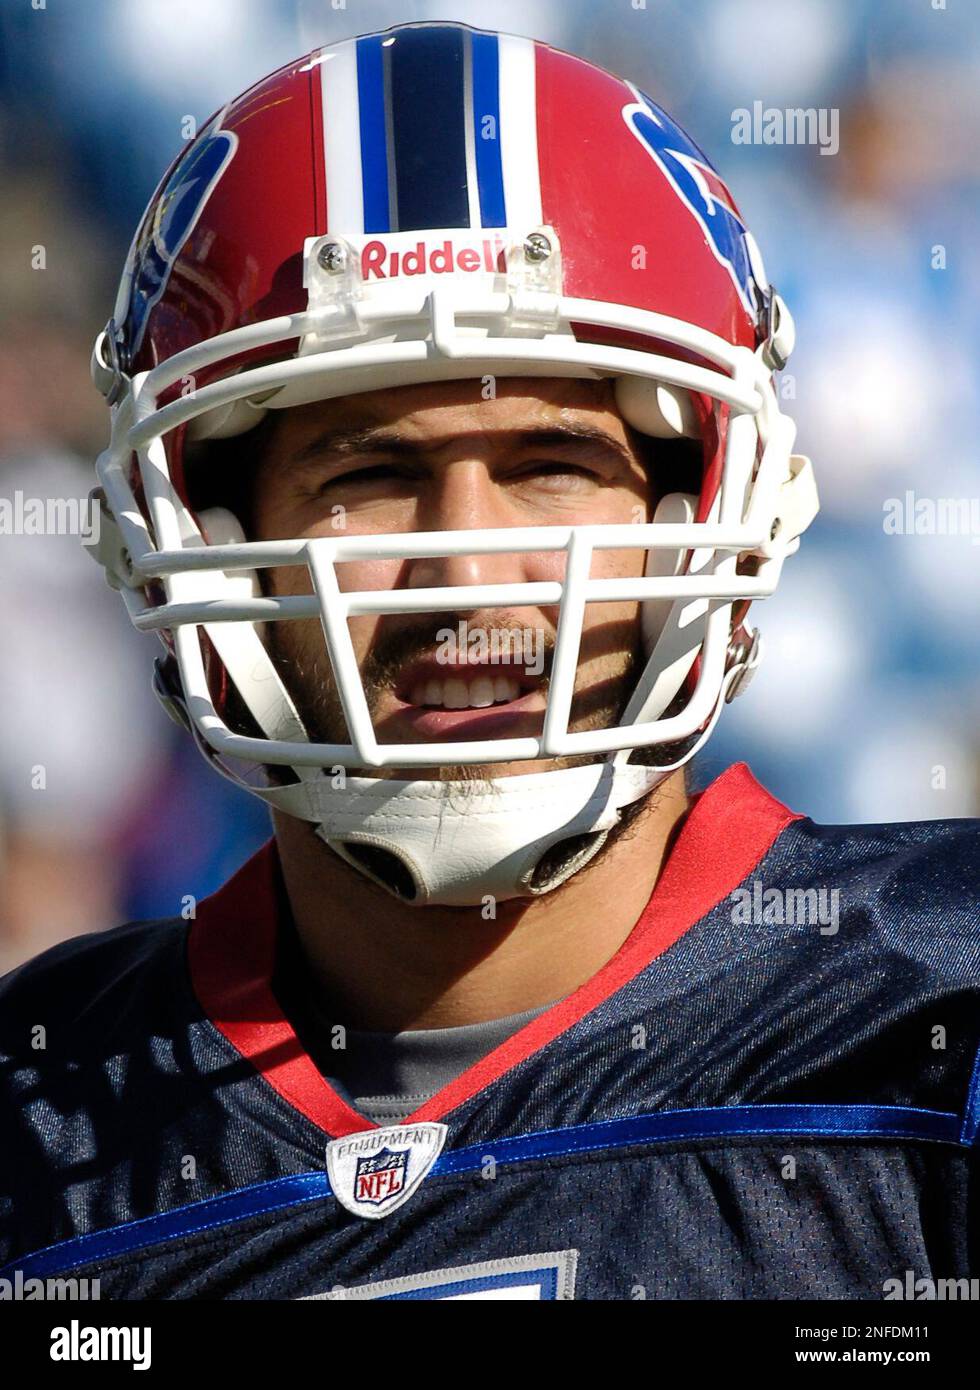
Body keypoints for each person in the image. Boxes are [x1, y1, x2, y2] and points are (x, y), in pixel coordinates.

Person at [1, 22, 976, 1302]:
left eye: (552, 464)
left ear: (706, 508)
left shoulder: (936, 1022)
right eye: (367, 474)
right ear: (204, 537)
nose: (467, 570)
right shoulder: (44, 1122)